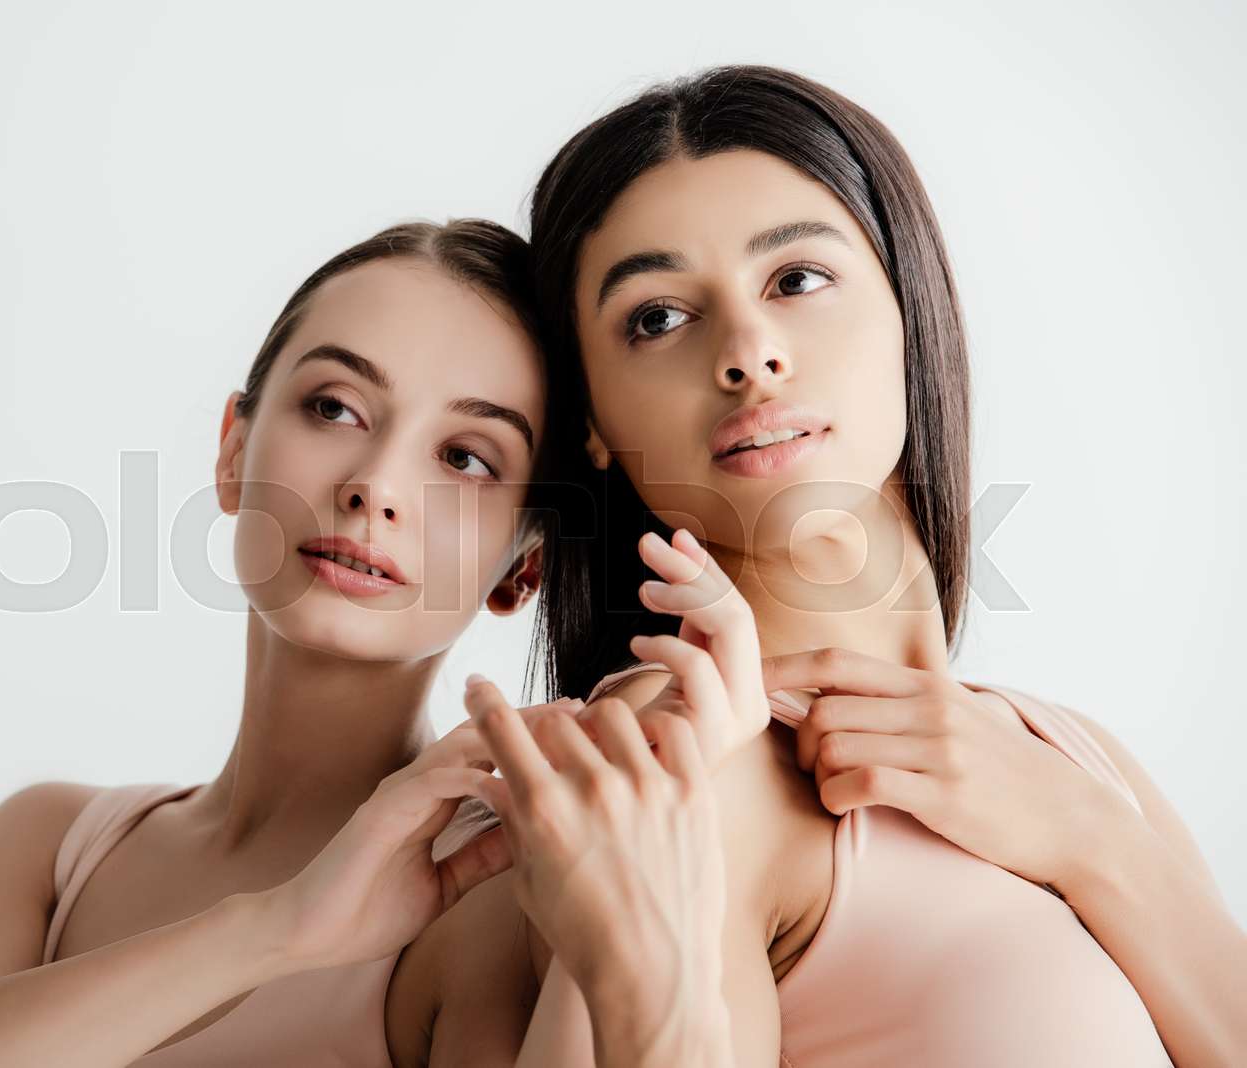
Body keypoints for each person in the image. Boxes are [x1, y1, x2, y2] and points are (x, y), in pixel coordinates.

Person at [0, 219, 746, 1068]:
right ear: (232, 451)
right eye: (334, 408)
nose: (375, 485)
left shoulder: (495, 899)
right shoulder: (53, 845)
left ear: (524, 568)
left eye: (465, 458)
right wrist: (276, 928)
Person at [523, 63, 1245, 1066]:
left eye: (796, 280)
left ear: (912, 307)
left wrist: (1090, 839)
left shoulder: (1074, 762)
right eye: (657, 316)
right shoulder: (684, 766)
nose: (747, 350)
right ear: (592, 422)